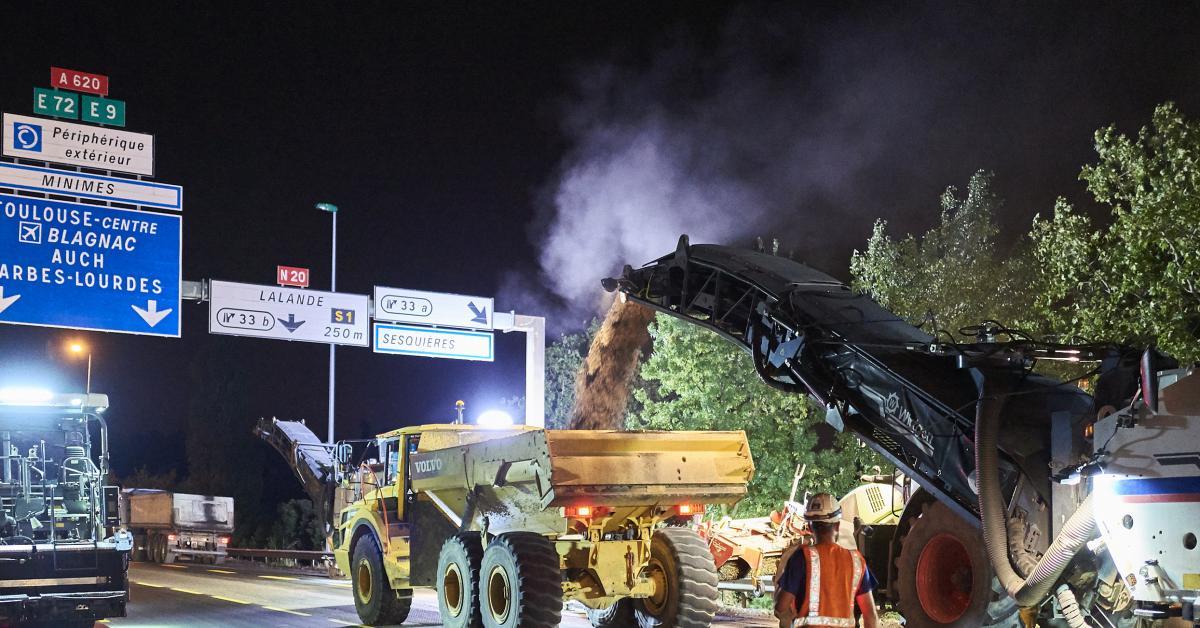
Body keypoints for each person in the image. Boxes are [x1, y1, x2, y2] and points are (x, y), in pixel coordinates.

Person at [774, 493, 879, 628]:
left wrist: (781, 582)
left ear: (810, 527)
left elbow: (781, 606)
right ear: (837, 525)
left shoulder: (801, 557)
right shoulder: (856, 561)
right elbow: (870, 615)